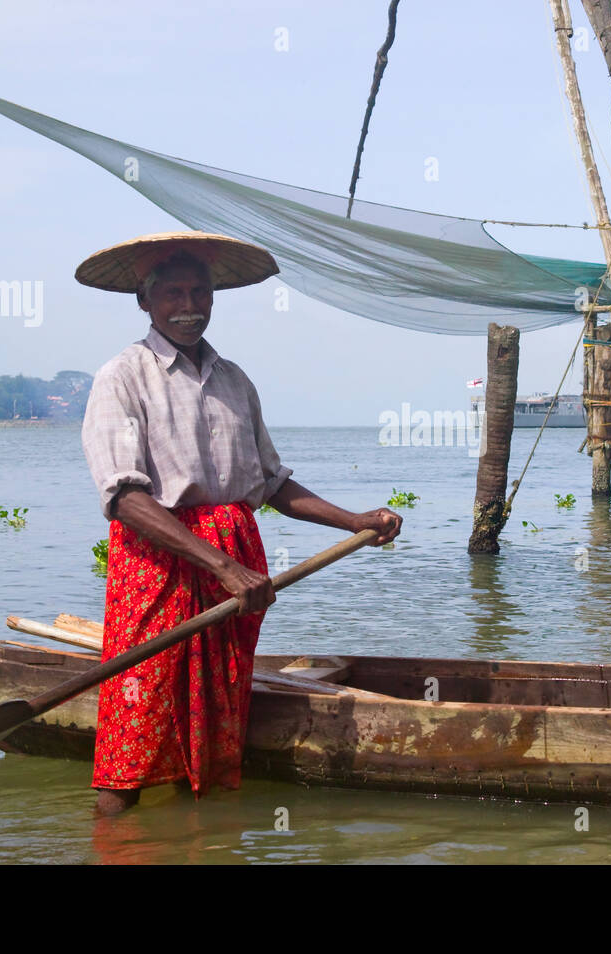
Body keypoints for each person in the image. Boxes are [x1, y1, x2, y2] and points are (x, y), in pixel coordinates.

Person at [77, 231, 402, 815]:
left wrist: (356, 521)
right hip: (159, 563)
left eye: (199, 292)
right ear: (144, 301)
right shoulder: (122, 377)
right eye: (173, 293)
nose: (188, 305)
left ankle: (200, 839)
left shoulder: (234, 382)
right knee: (139, 713)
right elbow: (124, 497)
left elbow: (271, 484)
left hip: (235, 563)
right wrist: (221, 566)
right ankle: (115, 841)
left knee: (215, 713)